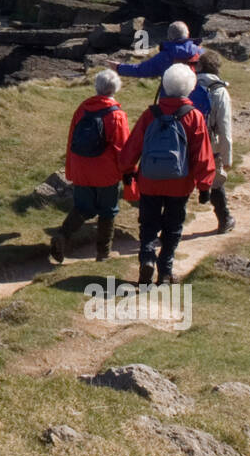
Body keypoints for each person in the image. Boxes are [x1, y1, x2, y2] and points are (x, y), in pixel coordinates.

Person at [117, 63, 215, 285]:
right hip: (179, 183)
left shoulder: (150, 114)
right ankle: (165, 271)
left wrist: (127, 170)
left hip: (150, 180)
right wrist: (204, 186)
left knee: (148, 223)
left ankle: (147, 258)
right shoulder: (194, 117)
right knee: (173, 225)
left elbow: (133, 146)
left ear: (165, 86)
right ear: (190, 87)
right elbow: (202, 155)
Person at [52, 69, 129, 263]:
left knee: (82, 208)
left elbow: (71, 139)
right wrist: (128, 171)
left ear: (96, 86)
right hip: (106, 172)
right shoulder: (117, 115)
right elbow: (122, 147)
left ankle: (61, 236)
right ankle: (103, 253)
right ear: (116, 89)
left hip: (82, 168)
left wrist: (71, 167)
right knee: (108, 210)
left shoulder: (83, 108)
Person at [194, 49, 235, 233]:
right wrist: (227, 158)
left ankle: (168, 229)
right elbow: (225, 128)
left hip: (187, 140)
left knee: (182, 182)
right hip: (210, 144)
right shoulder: (219, 91)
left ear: (199, 66)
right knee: (216, 180)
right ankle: (224, 219)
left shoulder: (187, 84)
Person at [111, 20, 201, 97]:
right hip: (196, 100)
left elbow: (140, 70)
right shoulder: (201, 53)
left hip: (169, 102)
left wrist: (119, 68)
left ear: (169, 37)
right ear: (188, 34)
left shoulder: (164, 56)